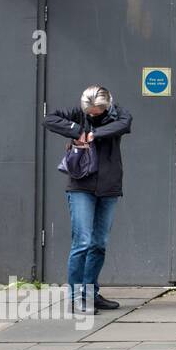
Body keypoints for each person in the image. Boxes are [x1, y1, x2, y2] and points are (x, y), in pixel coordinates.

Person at [43, 86, 133, 314]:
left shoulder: (117, 115)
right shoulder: (77, 114)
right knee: (82, 242)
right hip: (81, 186)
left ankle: (91, 293)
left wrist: (94, 135)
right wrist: (76, 130)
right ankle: (75, 298)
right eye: (89, 111)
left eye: (96, 112)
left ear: (106, 106)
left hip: (109, 187)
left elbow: (125, 124)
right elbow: (49, 119)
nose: (92, 115)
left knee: (99, 243)